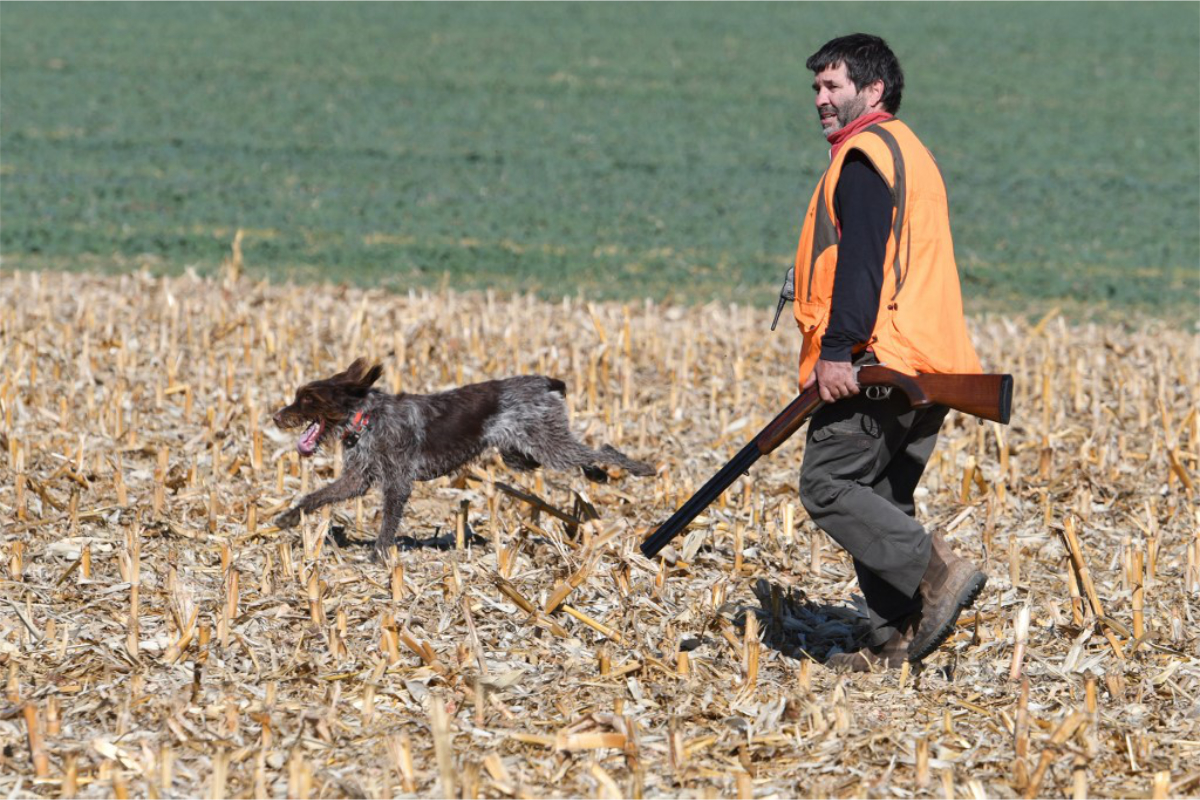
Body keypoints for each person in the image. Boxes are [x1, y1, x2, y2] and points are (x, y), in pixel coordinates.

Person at [790, 33, 987, 670]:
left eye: (833, 86)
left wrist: (839, 351)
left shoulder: (865, 157)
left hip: (881, 360)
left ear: (873, 90)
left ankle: (938, 572)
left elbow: (862, 265)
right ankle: (896, 638)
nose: (820, 98)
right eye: (816, 86)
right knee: (879, 496)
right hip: (930, 362)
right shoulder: (910, 153)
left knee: (828, 483)